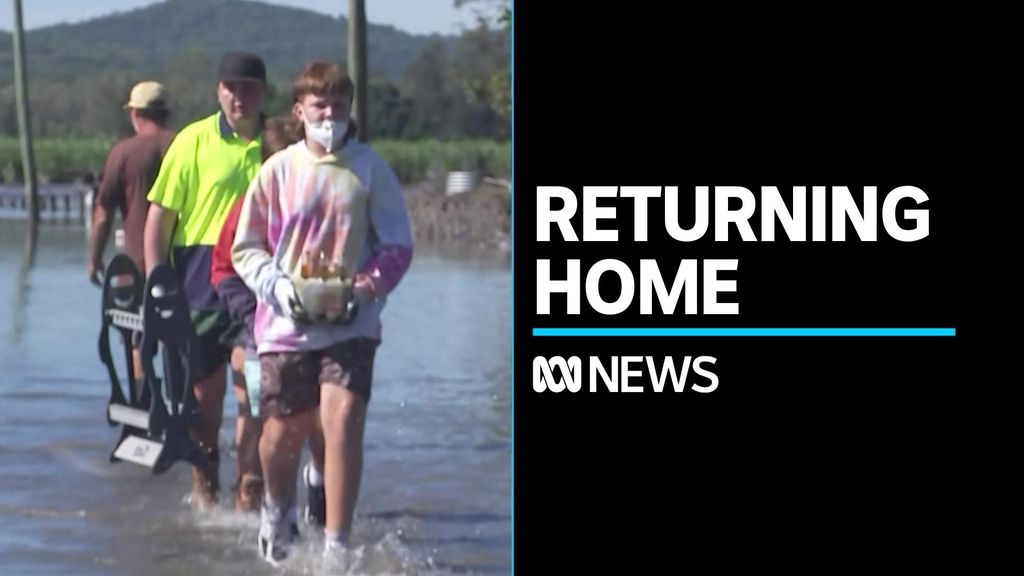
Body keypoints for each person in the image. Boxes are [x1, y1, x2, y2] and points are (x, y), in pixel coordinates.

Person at [233, 61, 413, 565]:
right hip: (287, 324)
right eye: (320, 106)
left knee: (344, 420)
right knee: (282, 433)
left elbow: (398, 244)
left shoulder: (370, 168)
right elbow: (247, 247)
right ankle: (276, 505)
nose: (330, 114)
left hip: (352, 321)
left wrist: (368, 285)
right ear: (300, 110)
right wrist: (275, 286)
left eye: (339, 105)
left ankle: (337, 547)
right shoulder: (278, 170)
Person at [143, 51, 267, 509]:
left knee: (253, 397)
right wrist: (158, 286)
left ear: (263, 91)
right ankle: (206, 497)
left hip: (258, 292)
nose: (240, 96)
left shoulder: (280, 144)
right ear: (218, 90)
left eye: (249, 87)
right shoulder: (192, 141)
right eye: (231, 87)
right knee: (203, 409)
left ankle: (249, 494)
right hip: (197, 291)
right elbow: (159, 221)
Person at [209, 117, 299, 512]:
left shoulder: (313, 202)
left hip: (303, 331)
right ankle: (248, 489)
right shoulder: (248, 206)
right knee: (252, 411)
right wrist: (252, 319)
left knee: (297, 420)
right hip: (254, 332)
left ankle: (288, 502)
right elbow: (223, 269)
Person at [89, 81, 174, 283]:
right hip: (182, 271)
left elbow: (103, 215)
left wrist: (95, 259)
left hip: (135, 271)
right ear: (165, 113)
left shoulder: (123, 153)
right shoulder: (185, 145)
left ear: (135, 113)